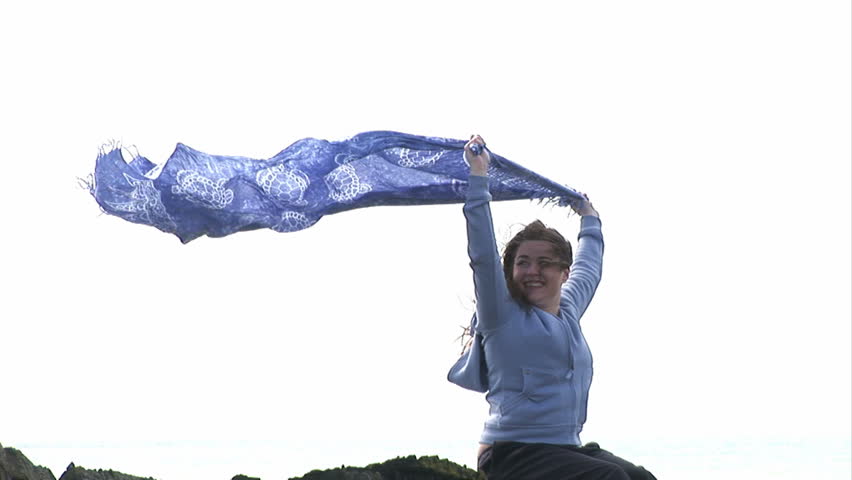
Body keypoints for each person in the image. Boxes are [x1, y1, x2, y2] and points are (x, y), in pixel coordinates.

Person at [456, 135, 656, 480]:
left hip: (563, 448)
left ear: (564, 273)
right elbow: (483, 258)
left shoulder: (569, 309)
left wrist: (590, 219)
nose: (532, 271)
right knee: (611, 479)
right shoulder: (501, 315)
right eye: (523, 263)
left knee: (639, 477)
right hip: (511, 452)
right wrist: (478, 180)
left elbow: (590, 266)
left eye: (544, 263)